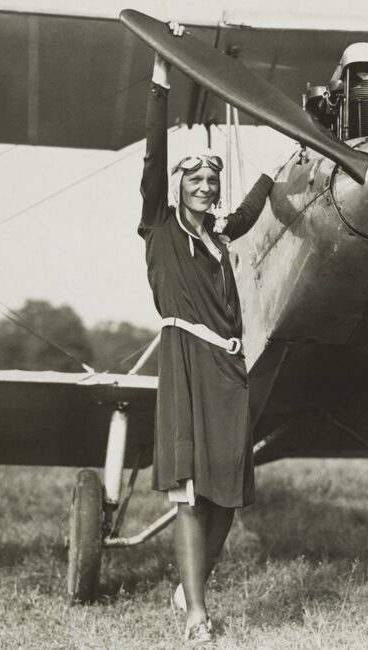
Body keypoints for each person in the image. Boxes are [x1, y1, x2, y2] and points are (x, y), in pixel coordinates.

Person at [139, 21, 287, 644]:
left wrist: (290, 157)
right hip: (186, 359)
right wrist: (161, 76)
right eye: (194, 178)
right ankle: (198, 614)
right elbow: (153, 155)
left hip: (231, 369)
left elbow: (255, 204)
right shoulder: (160, 227)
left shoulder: (223, 234)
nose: (204, 185)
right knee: (192, 494)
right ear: (179, 186)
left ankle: (189, 584)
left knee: (228, 495)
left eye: (211, 180)